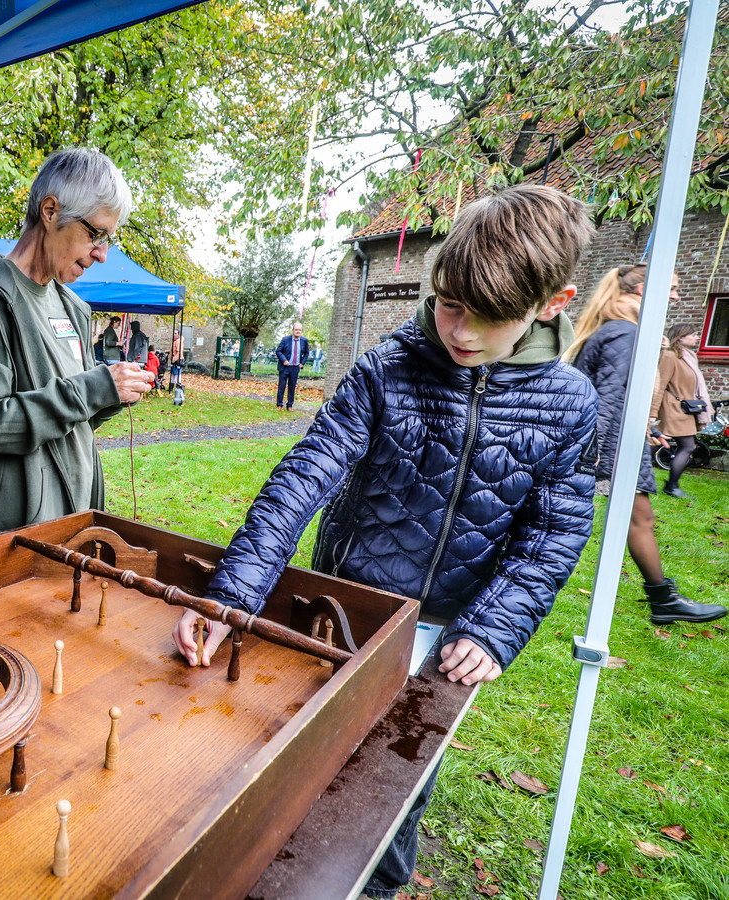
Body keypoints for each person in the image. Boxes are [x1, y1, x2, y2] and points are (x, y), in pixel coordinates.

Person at [172, 185, 601, 900]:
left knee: (392, 785)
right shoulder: (386, 368)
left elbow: (554, 530)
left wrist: (495, 629)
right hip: (347, 608)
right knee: (303, 756)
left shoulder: (569, 403)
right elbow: (304, 478)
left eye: (487, 317)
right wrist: (231, 597)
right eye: (449, 303)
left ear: (551, 304)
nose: (460, 330)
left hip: (447, 629)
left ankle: (376, 889)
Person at [0, 147, 154, 541]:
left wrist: (110, 396)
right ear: (50, 211)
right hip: (15, 536)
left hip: (74, 523)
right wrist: (94, 387)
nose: (102, 254)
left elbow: (70, 414)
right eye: (95, 233)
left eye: (108, 238)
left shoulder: (73, 306)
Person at [567, 265, 726, 624]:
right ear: (642, 289)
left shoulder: (622, 327)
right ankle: (662, 599)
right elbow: (607, 398)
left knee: (639, 518)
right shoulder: (624, 332)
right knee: (634, 519)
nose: (675, 296)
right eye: (670, 288)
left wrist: (647, 426)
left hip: (617, 439)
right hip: (610, 445)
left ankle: (662, 598)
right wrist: (593, 458)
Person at [651, 321, 711, 499]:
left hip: (684, 410)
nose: (697, 337)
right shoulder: (669, 356)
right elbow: (659, 385)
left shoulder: (689, 357)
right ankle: (671, 486)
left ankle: (670, 484)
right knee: (685, 445)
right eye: (692, 334)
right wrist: (652, 413)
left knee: (680, 445)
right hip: (672, 409)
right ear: (680, 337)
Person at [275, 322, 309, 409]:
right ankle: (279, 404)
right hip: (285, 367)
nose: (298, 331)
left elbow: (306, 353)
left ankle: (290, 405)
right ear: (293, 330)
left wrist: (302, 363)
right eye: (296, 330)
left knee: (292, 387)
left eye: (299, 330)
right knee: (282, 386)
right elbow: (278, 351)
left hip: (295, 367)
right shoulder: (285, 339)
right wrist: (284, 360)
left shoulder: (304, 341)